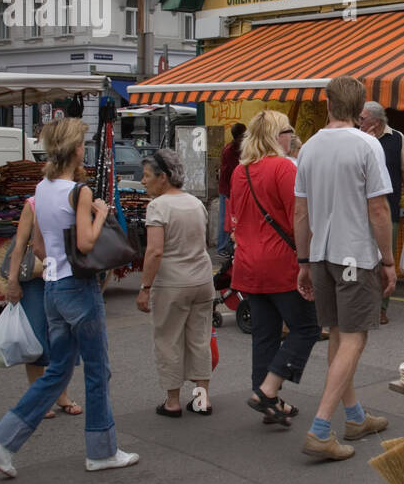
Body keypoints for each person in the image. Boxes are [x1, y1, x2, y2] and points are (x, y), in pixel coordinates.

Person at [0, 117, 140, 477]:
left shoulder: (41, 189)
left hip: (53, 285)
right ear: (77, 149)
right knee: (97, 370)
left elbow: (37, 245)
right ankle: (101, 450)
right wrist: (101, 215)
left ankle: (3, 439)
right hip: (77, 287)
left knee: (57, 369)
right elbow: (85, 243)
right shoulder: (78, 191)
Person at [295, 76, 396, 461]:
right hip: (355, 253)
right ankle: (321, 427)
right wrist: (388, 260)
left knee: (338, 334)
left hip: (321, 253)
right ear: (360, 111)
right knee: (354, 338)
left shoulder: (308, 149)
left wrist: (303, 260)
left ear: (327, 104)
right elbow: (379, 209)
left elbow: (300, 211)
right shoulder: (367, 144)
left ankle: (353, 416)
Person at [229, 110, 320, 425]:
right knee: (306, 327)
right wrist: (308, 259)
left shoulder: (240, 172)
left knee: (264, 335)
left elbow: (234, 219)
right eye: (288, 131)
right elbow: (299, 218)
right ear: (275, 135)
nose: (292, 136)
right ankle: (267, 392)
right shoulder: (283, 168)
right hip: (280, 262)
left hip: (248, 263)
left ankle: (267, 399)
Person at [137, 149, 215, 418]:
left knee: (168, 339)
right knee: (199, 340)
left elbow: (154, 252)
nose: (143, 181)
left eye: (147, 176)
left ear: (164, 177)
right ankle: (202, 398)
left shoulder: (158, 207)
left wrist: (145, 287)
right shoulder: (195, 203)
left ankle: (172, 401)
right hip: (203, 280)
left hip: (172, 283)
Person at [5, 196, 81, 419]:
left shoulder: (77, 199)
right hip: (36, 279)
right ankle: (39, 396)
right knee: (36, 337)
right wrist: (12, 281)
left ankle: (61, 394)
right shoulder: (34, 203)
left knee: (65, 338)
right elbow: (19, 243)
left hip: (66, 276)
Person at [358, 102, 404, 326]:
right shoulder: (357, 139)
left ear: (376, 120)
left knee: (386, 258)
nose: (359, 122)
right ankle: (364, 305)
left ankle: (382, 307)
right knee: (363, 259)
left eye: (362, 118)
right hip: (359, 211)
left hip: (388, 209)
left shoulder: (397, 138)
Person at [216, 123, 246, 260]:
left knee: (230, 219)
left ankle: (227, 246)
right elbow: (229, 173)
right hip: (227, 189)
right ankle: (222, 247)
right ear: (239, 137)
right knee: (225, 219)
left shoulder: (236, 148)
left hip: (231, 188)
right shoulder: (230, 151)